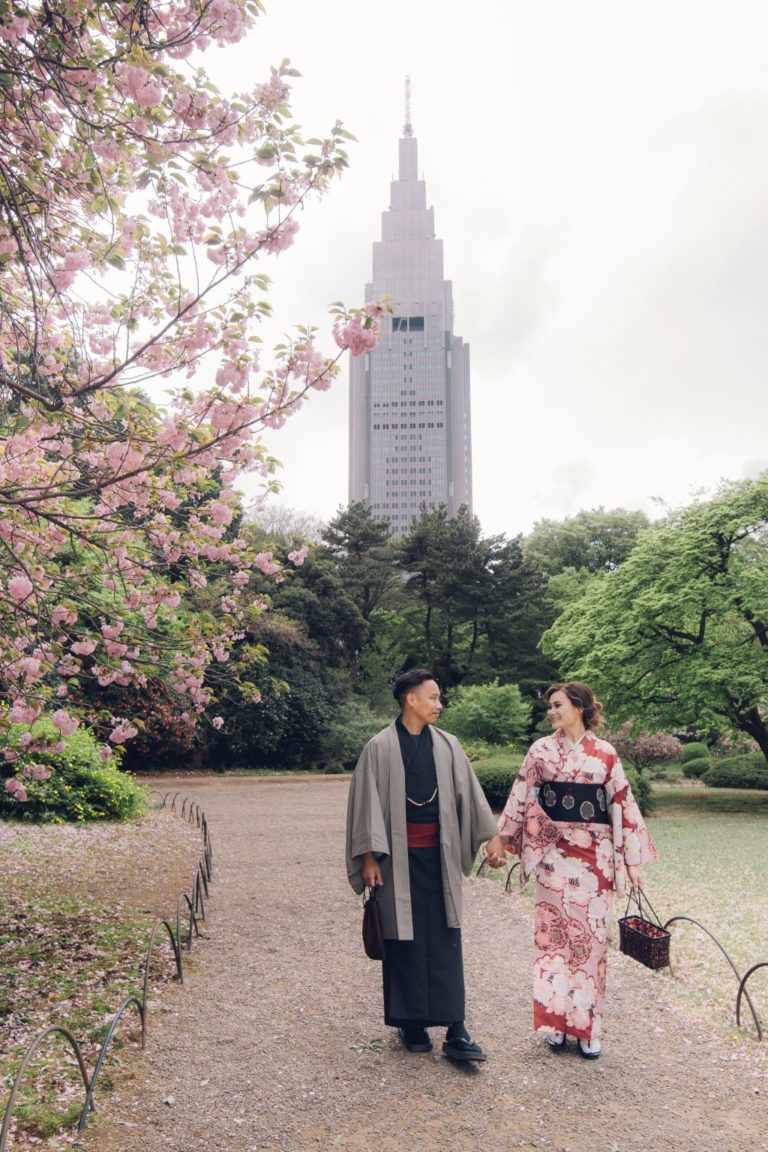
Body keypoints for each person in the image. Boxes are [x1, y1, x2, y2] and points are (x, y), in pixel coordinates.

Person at [484, 681, 657, 1060]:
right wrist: (500, 838)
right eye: (549, 707)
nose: (551, 712)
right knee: (553, 941)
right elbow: (520, 794)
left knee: (591, 944)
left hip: (595, 859)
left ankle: (587, 1027)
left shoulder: (605, 754)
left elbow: (624, 805)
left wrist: (631, 862)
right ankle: (557, 1024)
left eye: (557, 704)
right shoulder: (541, 750)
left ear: (578, 707)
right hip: (552, 856)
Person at [346, 668, 498, 1061]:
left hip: (439, 856)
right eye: (433, 697)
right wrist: (368, 857)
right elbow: (365, 806)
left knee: (446, 939)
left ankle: (456, 1027)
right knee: (404, 940)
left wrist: (492, 836)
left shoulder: (448, 746)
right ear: (410, 699)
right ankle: (410, 1023)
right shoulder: (378, 748)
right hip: (395, 860)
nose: (439, 704)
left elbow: (472, 797)